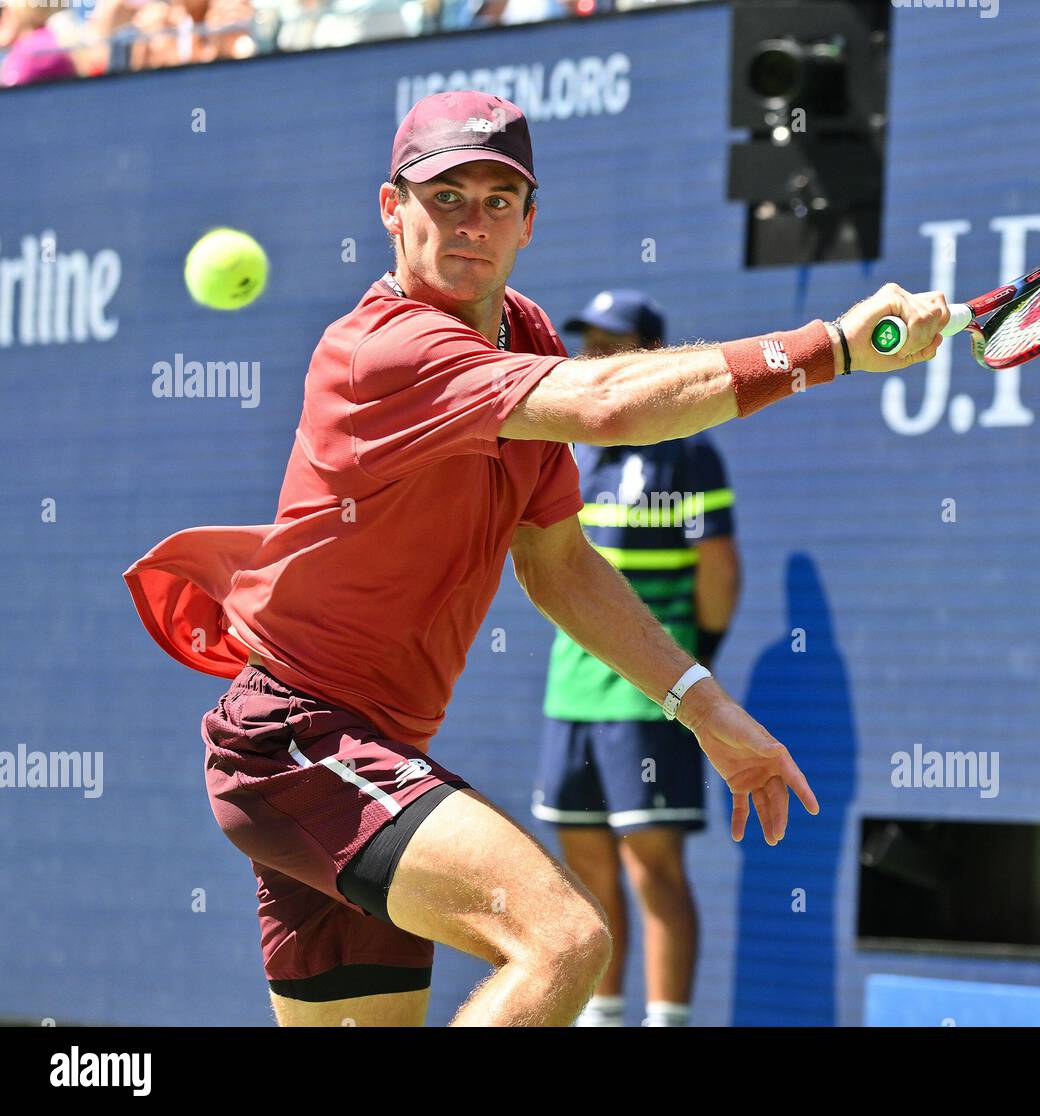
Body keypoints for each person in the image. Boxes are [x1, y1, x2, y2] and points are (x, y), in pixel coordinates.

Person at [123, 89, 950, 1027]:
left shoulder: (524, 329)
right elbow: (610, 407)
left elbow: (557, 563)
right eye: (445, 197)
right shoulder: (380, 351)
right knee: (564, 942)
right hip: (299, 745)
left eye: (498, 200)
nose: (472, 223)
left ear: (529, 222)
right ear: (391, 210)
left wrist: (708, 712)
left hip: (370, 754)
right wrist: (833, 346)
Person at [532, 291, 739, 1027]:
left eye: (613, 342)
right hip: (572, 691)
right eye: (589, 340)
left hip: (651, 696)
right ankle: (603, 1016)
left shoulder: (690, 449)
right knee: (584, 869)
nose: (594, 355)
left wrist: (690, 666)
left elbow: (718, 570)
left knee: (655, 868)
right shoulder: (572, 449)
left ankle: (668, 1021)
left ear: (651, 353)